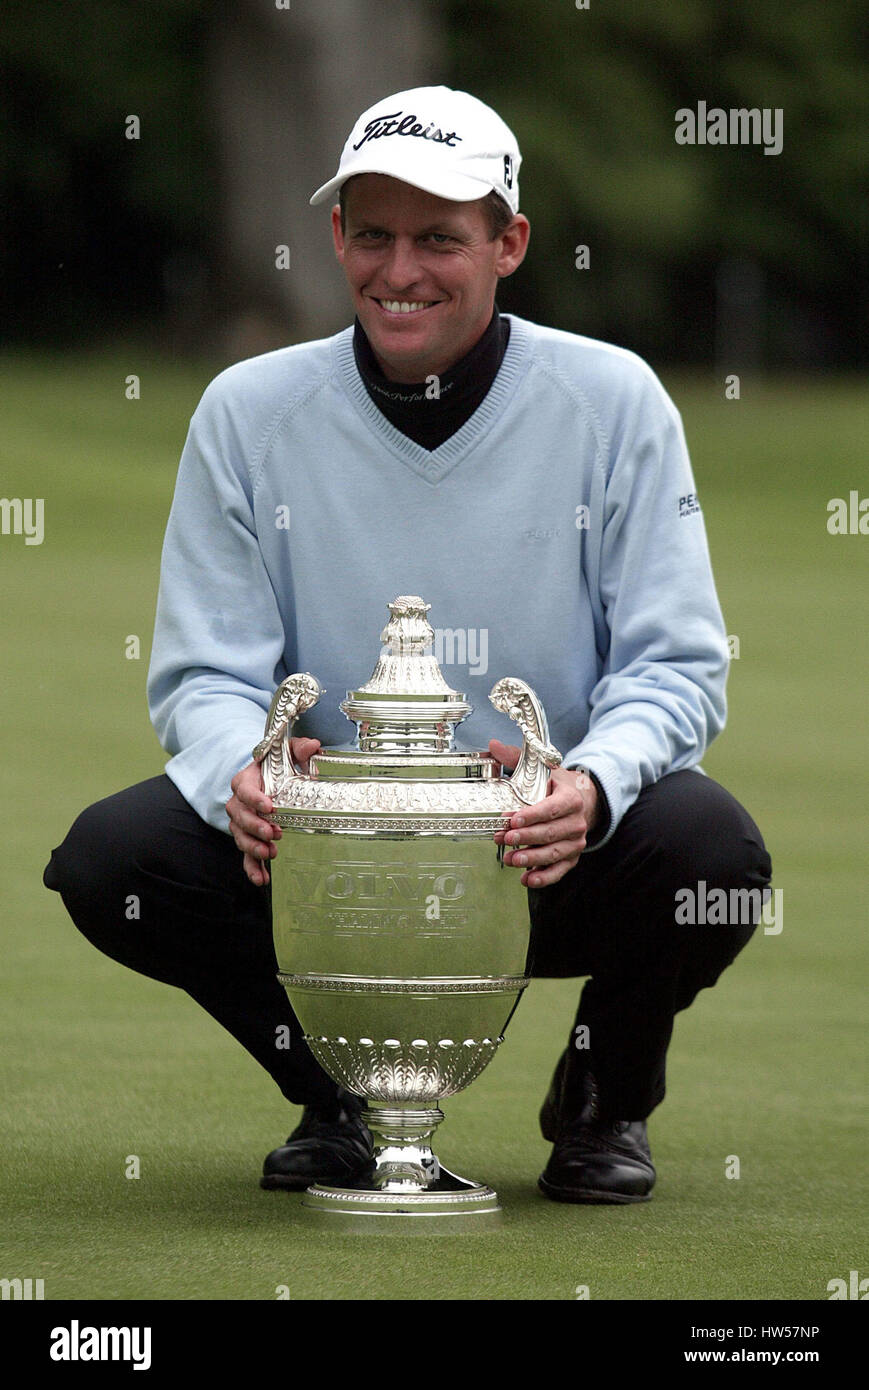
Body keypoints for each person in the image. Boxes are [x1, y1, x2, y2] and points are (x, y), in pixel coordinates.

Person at [44, 86, 771, 1204]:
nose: (400, 270)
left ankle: (601, 1097)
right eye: (373, 234)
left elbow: (674, 664)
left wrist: (591, 781)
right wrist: (240, 767)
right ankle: (339, 1093)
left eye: (439, 237)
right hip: (331, 856)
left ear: (508, 242)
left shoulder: (613, 401)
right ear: (336, 236)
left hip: (538, 848)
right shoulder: (247, 411)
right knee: (112, 857)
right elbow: (205, 668)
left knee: (709, 847)